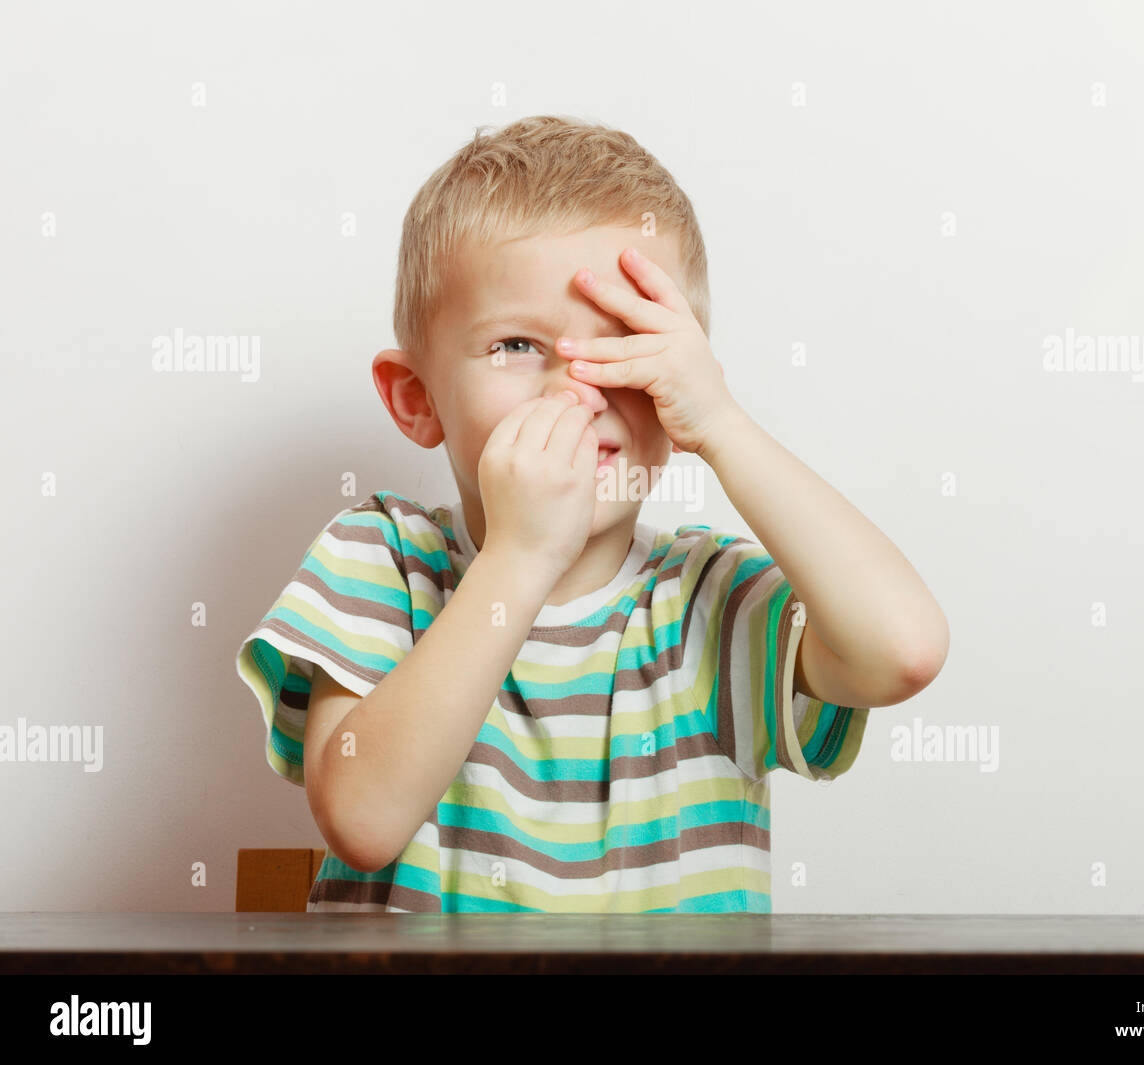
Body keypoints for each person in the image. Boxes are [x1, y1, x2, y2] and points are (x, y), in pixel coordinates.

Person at [234, 115, 949, 913]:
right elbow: (362, 819)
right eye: (514, 345)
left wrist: (723, 425)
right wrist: (521, 556)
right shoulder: (383, 559)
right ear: (417, 397)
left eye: (628, 348)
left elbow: (906, 650)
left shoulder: (703, 601)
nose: (576, 390)